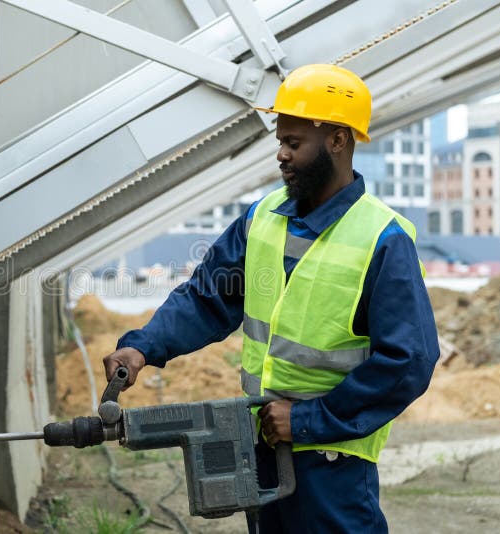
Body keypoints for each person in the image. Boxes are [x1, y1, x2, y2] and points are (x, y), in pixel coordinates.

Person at [102, 63, 439, 533]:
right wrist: (144, 345)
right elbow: (207, 297)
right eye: (280, 142)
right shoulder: (263, 218)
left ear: (338, 141)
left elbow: (408, 360)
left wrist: (310, 419)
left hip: (331, 459)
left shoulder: (383, 239)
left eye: (293, 143)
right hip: (262, 447)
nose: (280, 154)